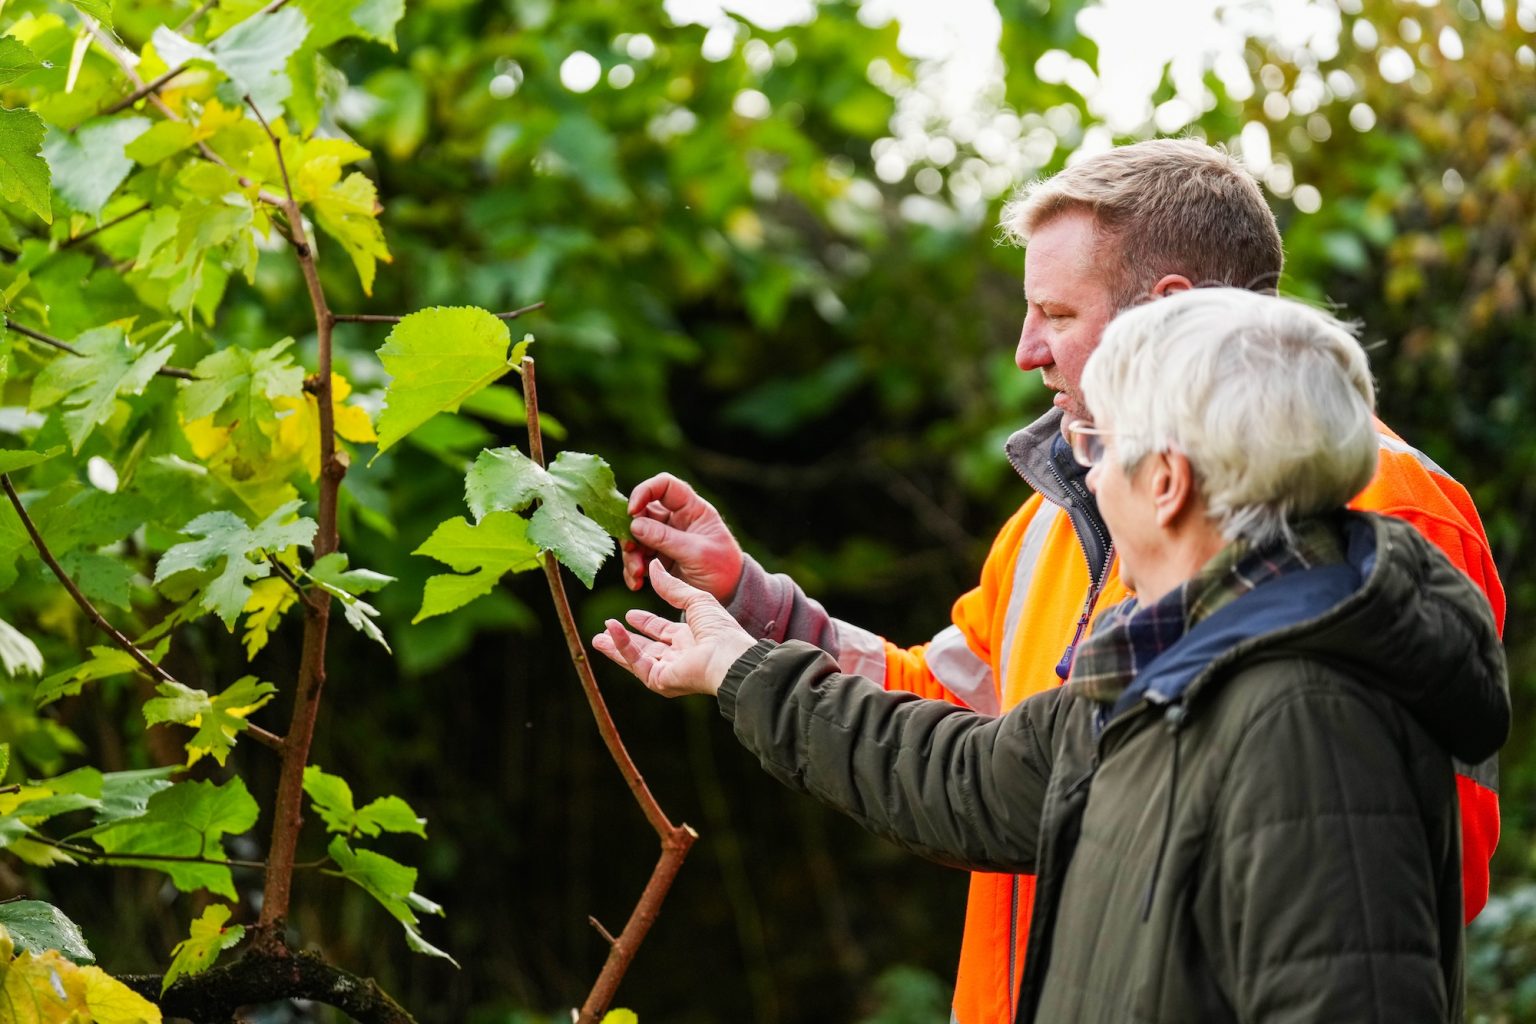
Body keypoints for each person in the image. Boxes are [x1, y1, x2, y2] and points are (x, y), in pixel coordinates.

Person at [620, 139, 1505, 1023]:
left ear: (1163, 314)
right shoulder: (1052, 517)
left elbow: (1379, 886)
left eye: (1054, 312)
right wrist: (750, 610)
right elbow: (959, 738)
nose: (1024, 350)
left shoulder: (1380, 512)